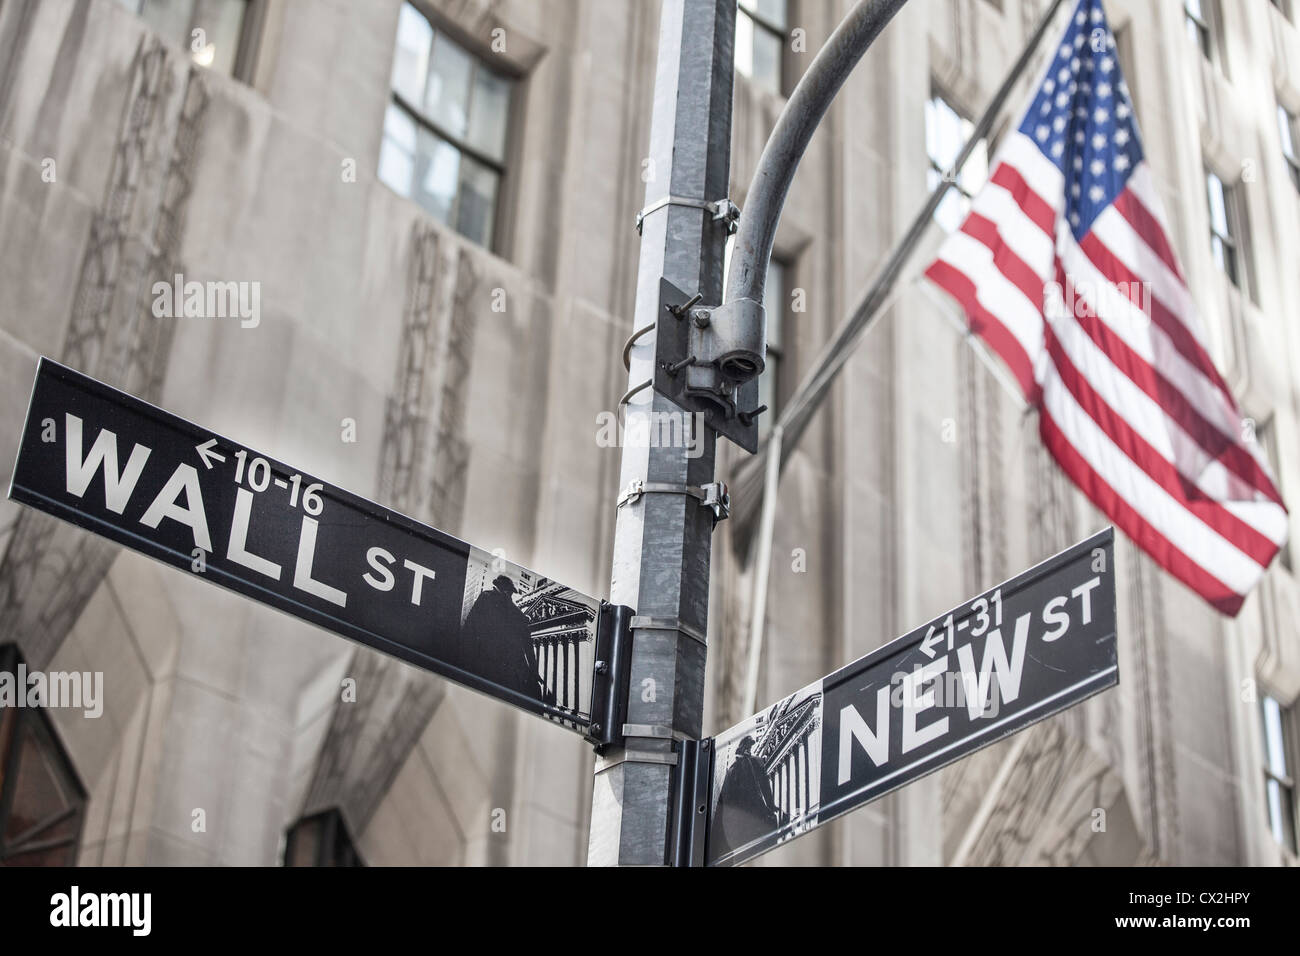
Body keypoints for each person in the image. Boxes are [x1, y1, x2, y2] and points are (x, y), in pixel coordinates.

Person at [460, 575, 543, 700]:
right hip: (497, 665)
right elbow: (527, 642)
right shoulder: (491, 599)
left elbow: (469, 627)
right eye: (510, 592)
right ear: (504, 590)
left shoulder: (495, 600)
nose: (510, 596)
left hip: (488, 663)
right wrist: (534, 670)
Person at [712, 735, 783, 860]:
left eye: (749, 747)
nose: (748, 750)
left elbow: (765, 786)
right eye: (747, 747)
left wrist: (771, 805)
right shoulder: (733, 770)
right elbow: (728, 803)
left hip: (756, 816)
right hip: (745, 820)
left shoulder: (755, 763)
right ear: (741, 749)